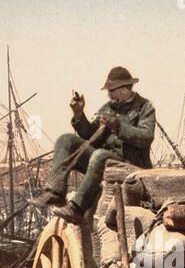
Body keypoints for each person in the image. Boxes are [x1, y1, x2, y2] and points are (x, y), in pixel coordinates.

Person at [38, 66, 155, 223]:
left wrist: (119, 127)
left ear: (125, 89)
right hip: (102, 161)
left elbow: (146, 137)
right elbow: (90, 135)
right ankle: (55, 193)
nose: (109, 94)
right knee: (65, 140)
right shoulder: (108, 108)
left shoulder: (145, 107)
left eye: (112, 90)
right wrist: (79, 114)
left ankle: (76, 209)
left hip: (131, 163)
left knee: (99, 155)